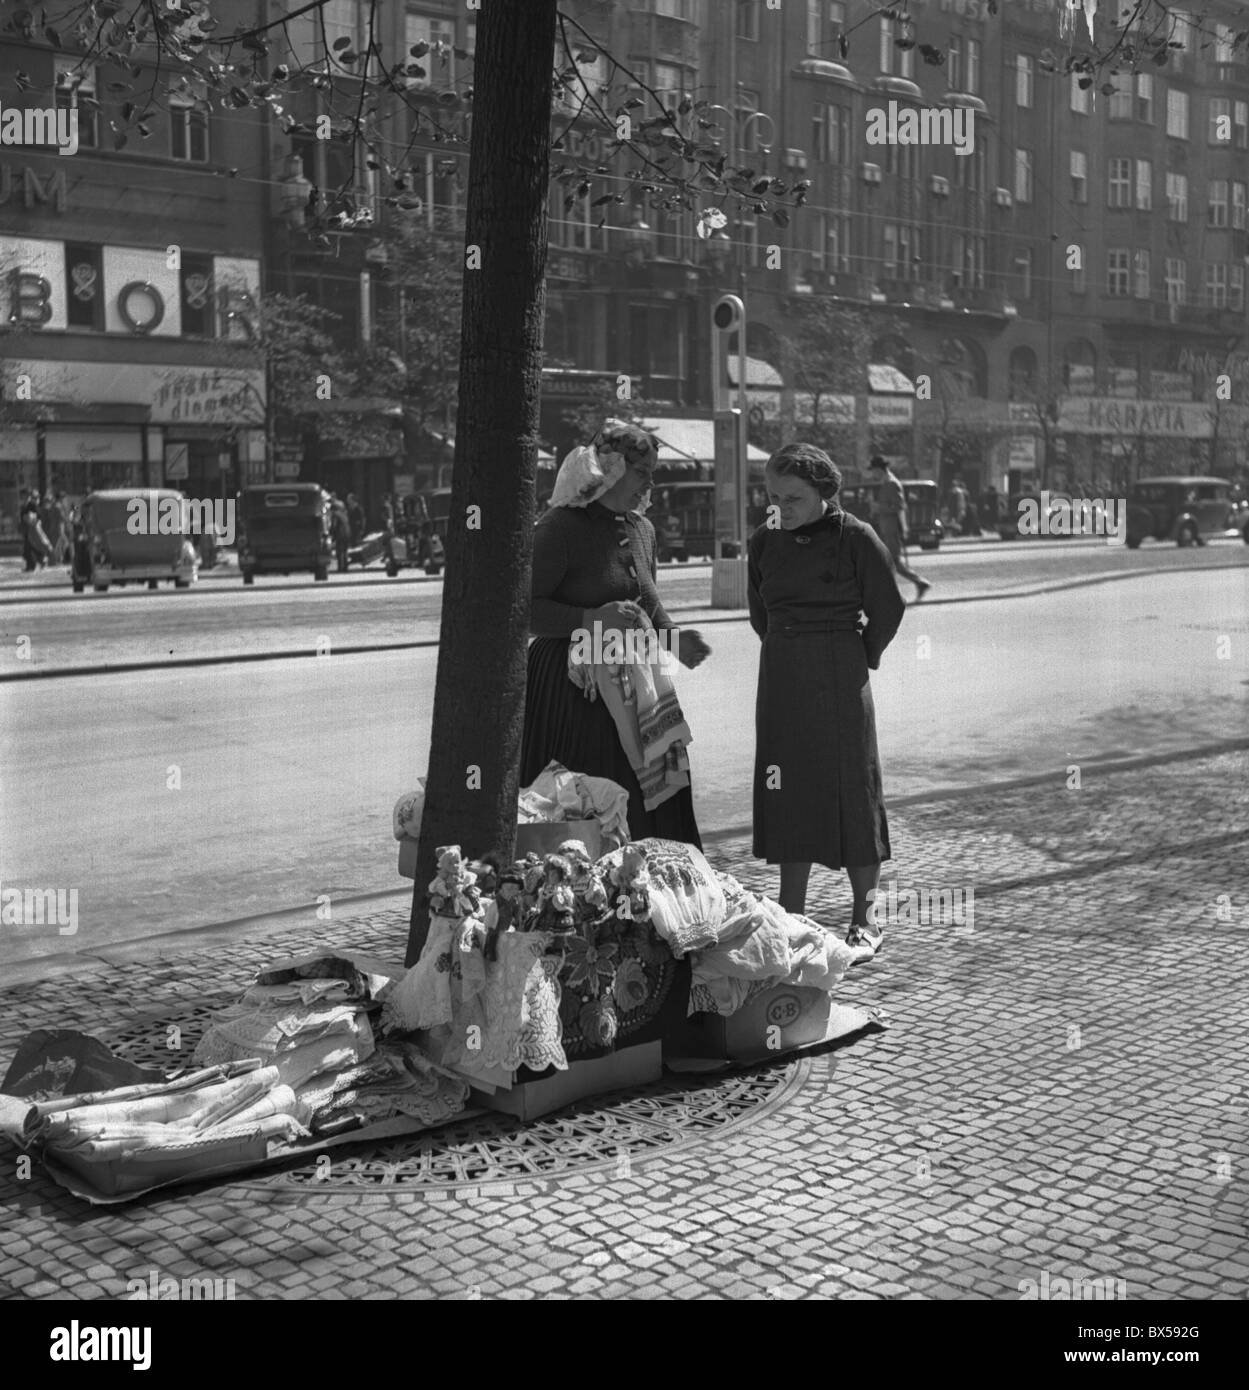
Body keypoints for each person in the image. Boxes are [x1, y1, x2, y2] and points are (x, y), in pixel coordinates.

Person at [749, 442, 907, 963]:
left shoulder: (855, 537)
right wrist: (787, 644)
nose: (780, 506)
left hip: (840, 673)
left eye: (792, 497)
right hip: (783, 676)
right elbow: (760, 613)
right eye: (772, 495)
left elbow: (887, 605)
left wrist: (854, 652)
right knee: (789, 787)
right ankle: (790, 910)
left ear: (823, 491)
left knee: (853, 789)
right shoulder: (764, 540)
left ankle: (865, 918)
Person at [521, 419, 712, 846]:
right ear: (609, 469)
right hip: (573, 696)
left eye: (652, 472)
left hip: (638, 686)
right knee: (596, 788)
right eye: (642, 472)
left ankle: (650, 886)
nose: (651, 483)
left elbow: (648, 600)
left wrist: (672, 637)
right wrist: (589, 620)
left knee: (654, 786)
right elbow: (526, 610)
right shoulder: (561, 527)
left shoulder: (642, 530)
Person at [868, 455, 931, 601]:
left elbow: (899, 506)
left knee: (890, 563)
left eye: (874, 471)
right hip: (887, 529)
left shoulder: (892, 483)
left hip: (892, 530)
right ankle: (918, 584)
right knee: (890, 562)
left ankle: (913, 586)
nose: (873, 474)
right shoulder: (887, 483)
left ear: (879, 470)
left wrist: (878, 508)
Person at [329, 493, 350, 572]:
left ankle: (341, 567)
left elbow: (334, 525)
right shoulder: (344, 514)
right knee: (345, 551)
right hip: (347, 533)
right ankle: (346, 567)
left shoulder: (335, 515)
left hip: (340, 534)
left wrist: (331, 534)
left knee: (340, 551)